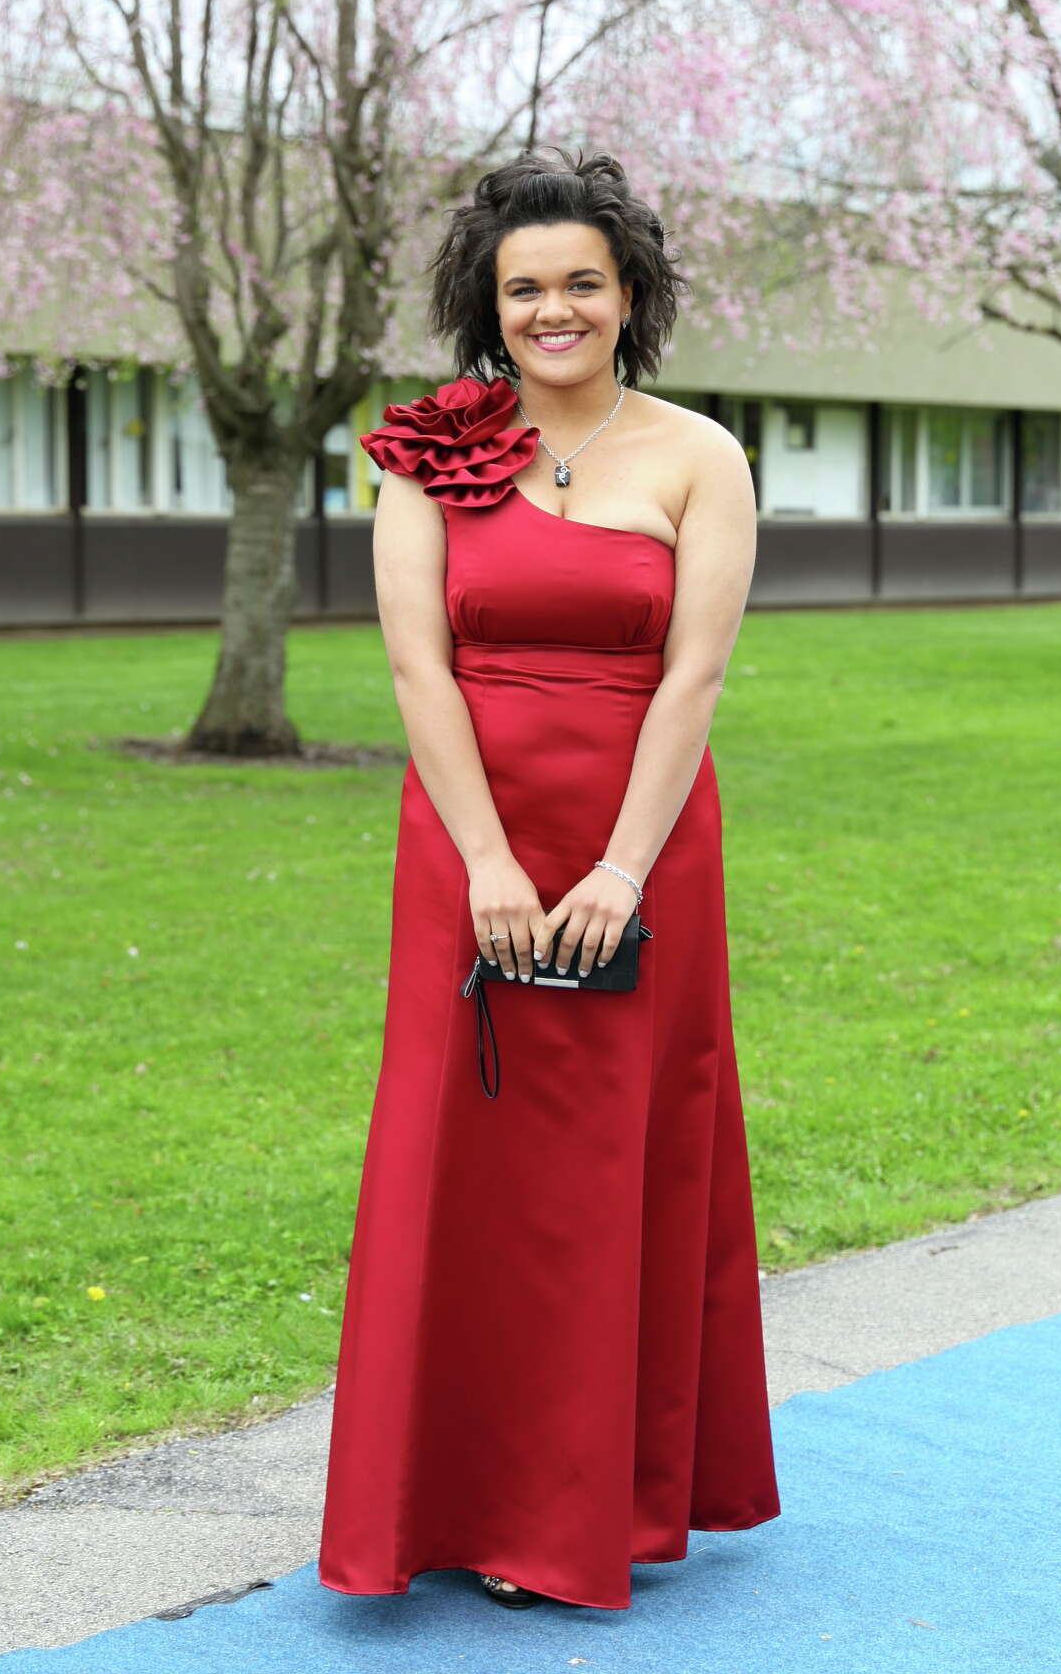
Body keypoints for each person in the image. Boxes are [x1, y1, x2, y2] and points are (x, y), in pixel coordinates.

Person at [318, 144, 780, 1614]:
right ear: (488, 301)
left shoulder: (703, 456)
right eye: (526, 288)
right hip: (470, 847)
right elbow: (415, 661)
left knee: (609, 1170)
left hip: (643, 851)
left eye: (582, 281)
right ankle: (440, 1501)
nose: (554, 310)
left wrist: (620, 871)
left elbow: (695, 674)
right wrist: (491, 864)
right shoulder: (426, 448)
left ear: (629, 291)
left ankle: (579, 1513)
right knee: (461, 1157)